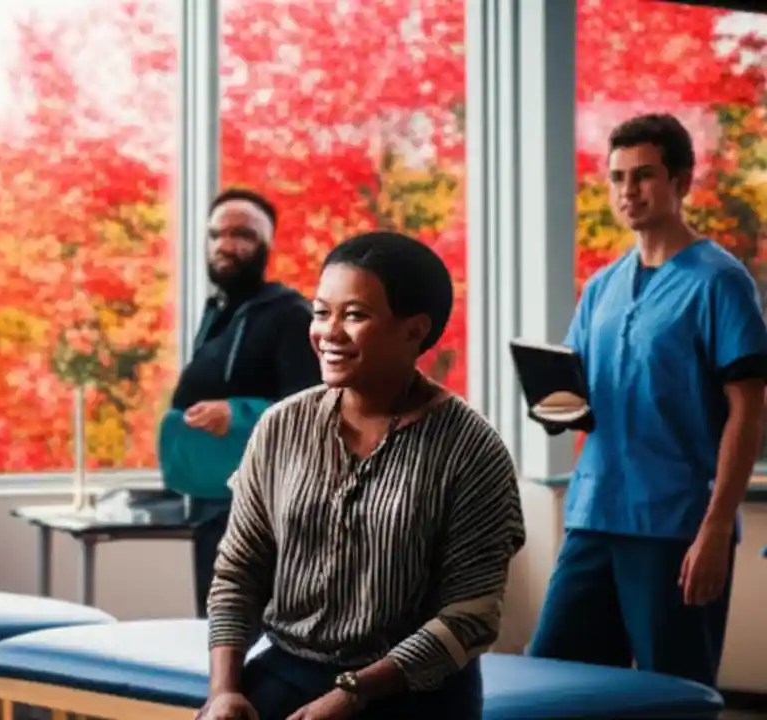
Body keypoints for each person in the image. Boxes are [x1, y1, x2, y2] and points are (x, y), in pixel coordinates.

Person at [198, 231, 526, 720]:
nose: (328, 332)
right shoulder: (281, 426)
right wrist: (223, 690)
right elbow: (238, 573)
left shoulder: (471, 448)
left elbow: (470, 616)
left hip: (414, 691)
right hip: (288, 671)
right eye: (320, 312)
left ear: (414, 331)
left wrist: (356, 692)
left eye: (354, 315)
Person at [527, 113, 767, 687]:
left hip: (675, 525)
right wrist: (554, 407)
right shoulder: (601, 288)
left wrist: (715, 528)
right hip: (593, 516)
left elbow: (748, 409)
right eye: (617, 177)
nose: (627, 190)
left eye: (644, 175)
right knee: (554, 681)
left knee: (673, 691)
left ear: (681, 181)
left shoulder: (719, 282)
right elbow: (582, 396)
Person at [158, 187, 321, 618]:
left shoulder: (290, 315)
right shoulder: (218, 313)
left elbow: (316, 409)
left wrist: (239, 413)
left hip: (264, 510)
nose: (225, 245)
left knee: (249, 632)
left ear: (267, 245)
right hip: (213, 502)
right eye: (217, 234)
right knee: (215, 628)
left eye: (242, 235)